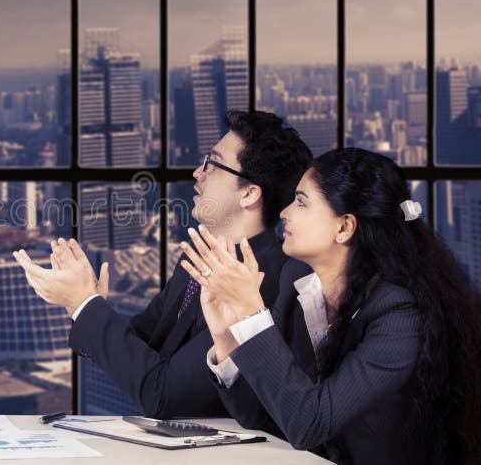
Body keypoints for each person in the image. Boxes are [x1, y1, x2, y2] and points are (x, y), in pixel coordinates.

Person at [182, 148, 481, 464]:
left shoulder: (399, 313)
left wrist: (251, 313)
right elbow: (260, 415)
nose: (284, 212)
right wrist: (226, 341)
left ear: (344, 227)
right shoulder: (297, 282)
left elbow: (310, 424)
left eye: (301, 202)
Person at [12, 110, 312, 418]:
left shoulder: (264, 283)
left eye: (213, 164)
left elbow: (164, 396)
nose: (198, 173)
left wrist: (84, 304)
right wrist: (86, 301)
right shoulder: (198, 259)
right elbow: (144, 342)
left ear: (249, 194)